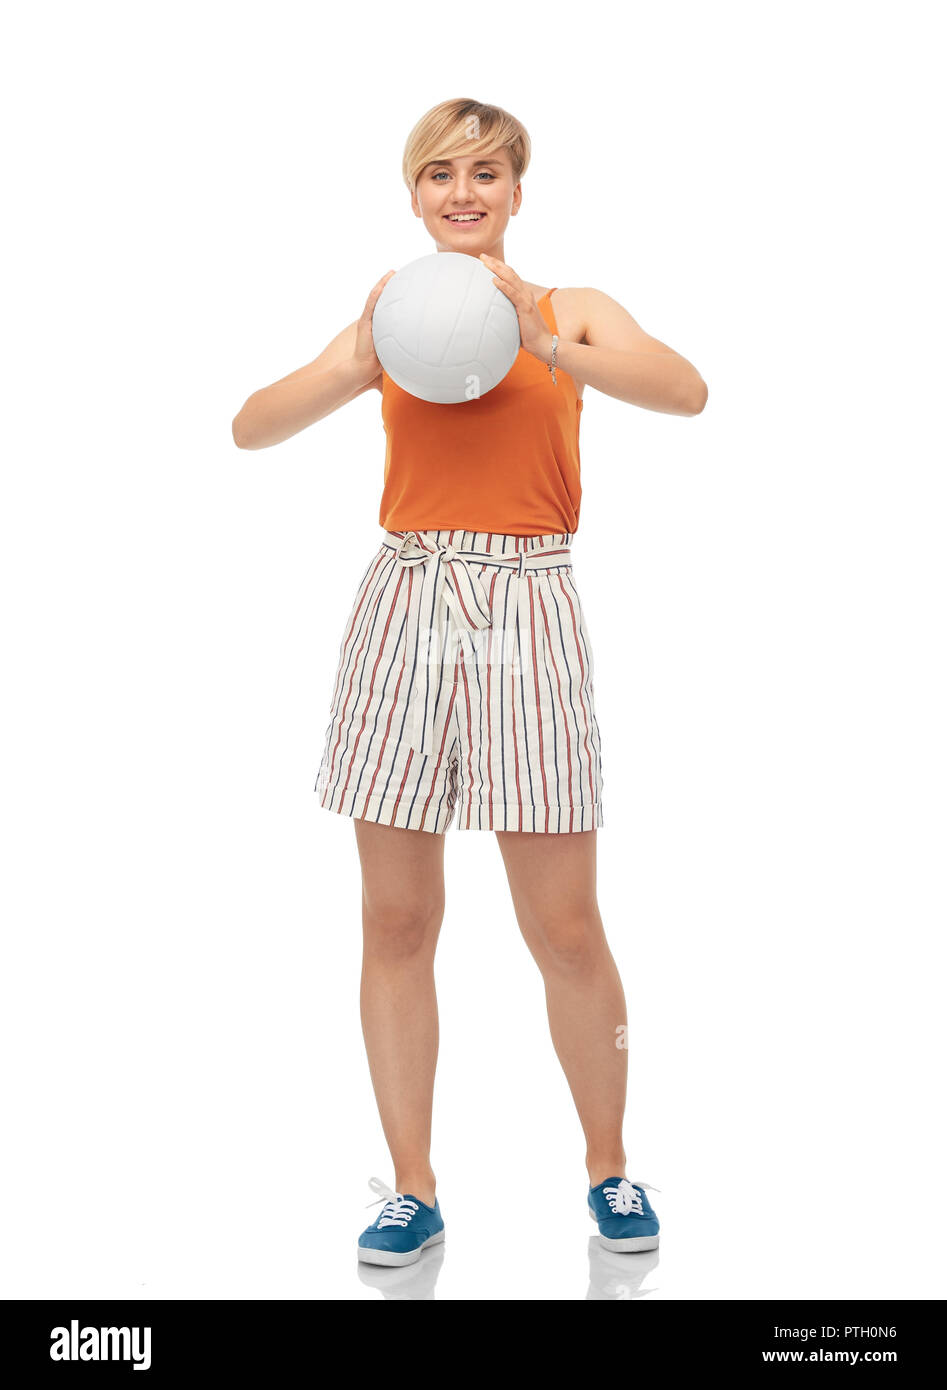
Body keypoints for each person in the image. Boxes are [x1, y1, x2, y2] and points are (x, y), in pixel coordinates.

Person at [232, 97, 707, 1270]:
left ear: (515, 191)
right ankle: (411, 1187)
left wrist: (546, 345)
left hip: (527, 603)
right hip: (407, 600)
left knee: (562, 922)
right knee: (396, 917)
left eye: (484, 173)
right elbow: (248, 428)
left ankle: (607, 1168)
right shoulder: (387, 322)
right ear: (412, 193)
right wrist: (354, 359)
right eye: (439, 172)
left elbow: (686, 390)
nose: (462, 191)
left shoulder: (569, 310)